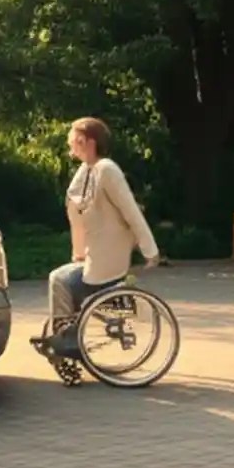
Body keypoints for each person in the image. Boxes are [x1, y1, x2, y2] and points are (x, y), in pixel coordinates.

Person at [48, 117, 160, 327]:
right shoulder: (87, 171)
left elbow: (131, 211)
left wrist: (150, 250)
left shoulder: (107, 170)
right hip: (93, 257)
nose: (71, 145)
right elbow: (76, 206)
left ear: (90, 143)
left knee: (61, 281)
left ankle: (69, 334)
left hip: (107, 261)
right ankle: (65, 331)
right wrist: (79, 253)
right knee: (59, 278)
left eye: (76, 140)